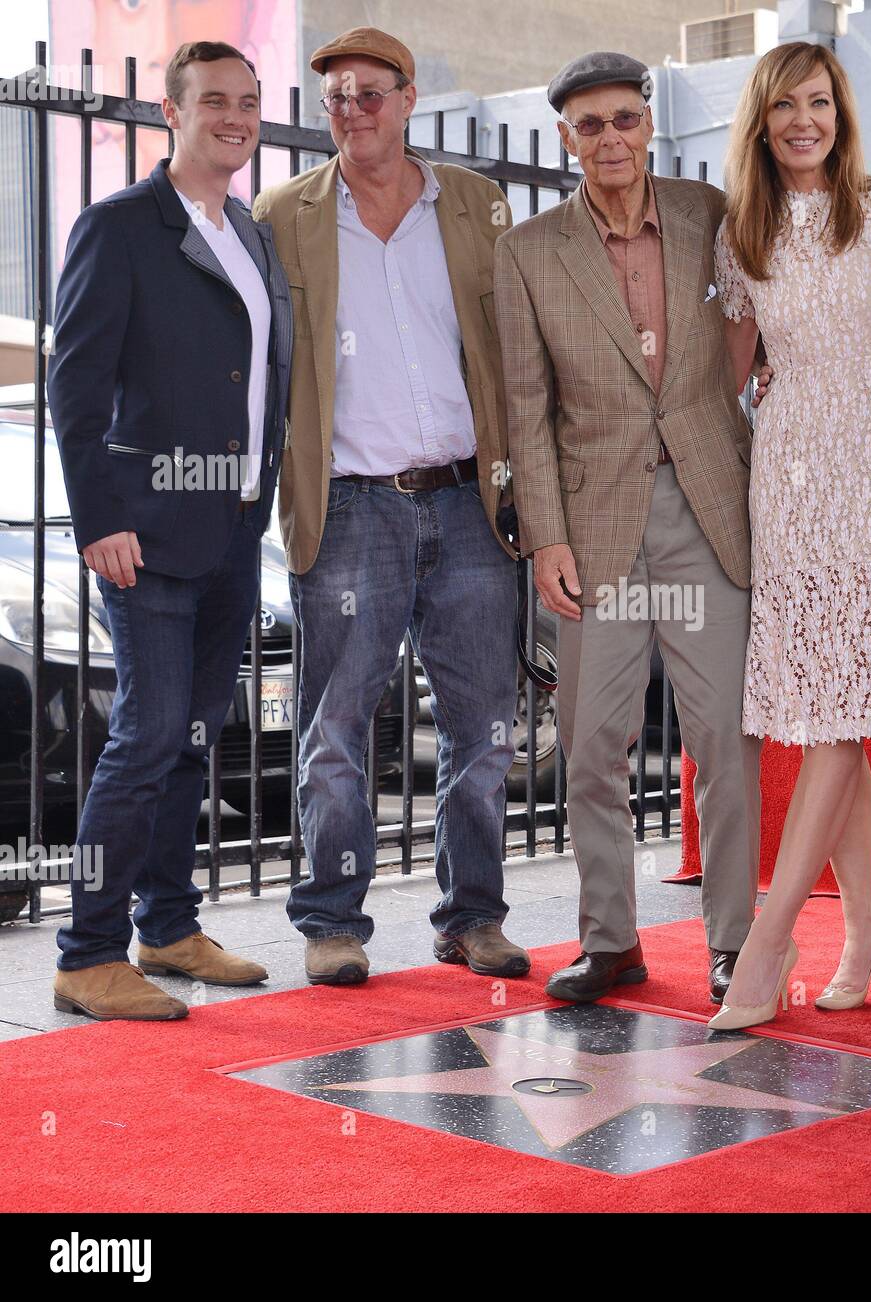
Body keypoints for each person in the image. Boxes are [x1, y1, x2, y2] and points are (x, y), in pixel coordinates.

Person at [253, 27, 527, 985]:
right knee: (335, 726)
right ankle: (332, 921)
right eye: (336, 96)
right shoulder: (282, 214)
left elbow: (516, 345)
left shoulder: (476, 206)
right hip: (349, 507)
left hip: (467, 501)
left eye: (371, 92)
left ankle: (473, 917)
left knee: (482, 725)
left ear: (410, 100)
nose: (352, 110)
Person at [495, 51, 763, 1005]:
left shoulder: (710, 214)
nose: (610, 137)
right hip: (595, 528)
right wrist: (546, 537)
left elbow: (764, 320)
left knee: (724, 742)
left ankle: (735, 943)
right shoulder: (529, 251)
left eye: (624, 118)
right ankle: (610, 941)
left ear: (648, 123)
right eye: (589, 124)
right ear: (564, 138)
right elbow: (526, 408)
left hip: (707, 507)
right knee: (591, 746)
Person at [47, 41, 292, 1019]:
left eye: (249, 102)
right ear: (172, 113)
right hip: (145, 531)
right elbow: (75, 385)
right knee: (146, 736)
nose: (235, 118)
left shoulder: (250, 233)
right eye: (215, 101)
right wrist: (100, 518)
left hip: (235, 524)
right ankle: (87, 953)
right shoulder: (120, 226)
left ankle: (168, 925)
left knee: (192, 736)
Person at [708, 41, 871, 1030]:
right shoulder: (740, 234)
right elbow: (727, 375)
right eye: (784, 106)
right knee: (822, 715)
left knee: (842, 717)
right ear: (760, 123)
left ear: (841, 113)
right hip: (792, 491)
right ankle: (864, 928)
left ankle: (770, 943)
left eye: (819, 102)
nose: (803, 121)